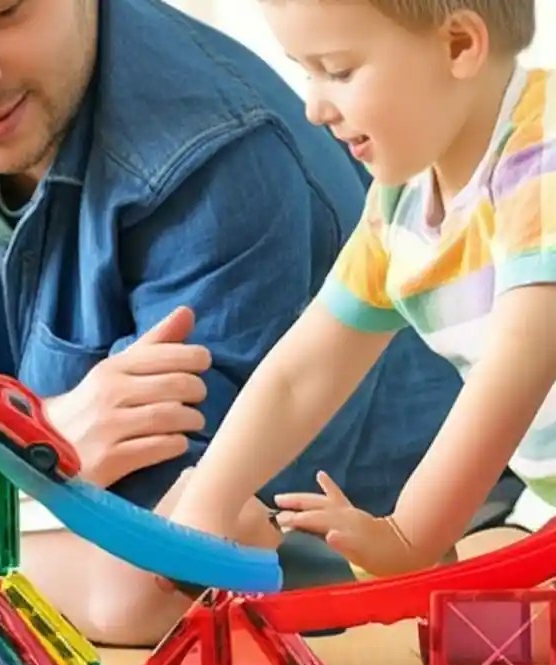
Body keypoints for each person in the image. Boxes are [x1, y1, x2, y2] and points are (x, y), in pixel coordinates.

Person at [0, 0, 476, 646]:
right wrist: (37, 440)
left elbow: (146, 584)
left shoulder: (226, 160)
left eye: (4, 10)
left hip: (390, 590)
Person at [169, 0, 549, 579]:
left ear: (458, 47)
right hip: (542, 506)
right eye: (306, 71)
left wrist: (409, 534)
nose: (314, 108)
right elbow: (302, 375)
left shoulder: (543, 151)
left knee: (486, 624)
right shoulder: (402, 202)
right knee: (466, 616)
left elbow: (521, 361)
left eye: (339, 71)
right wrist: (205, 506)